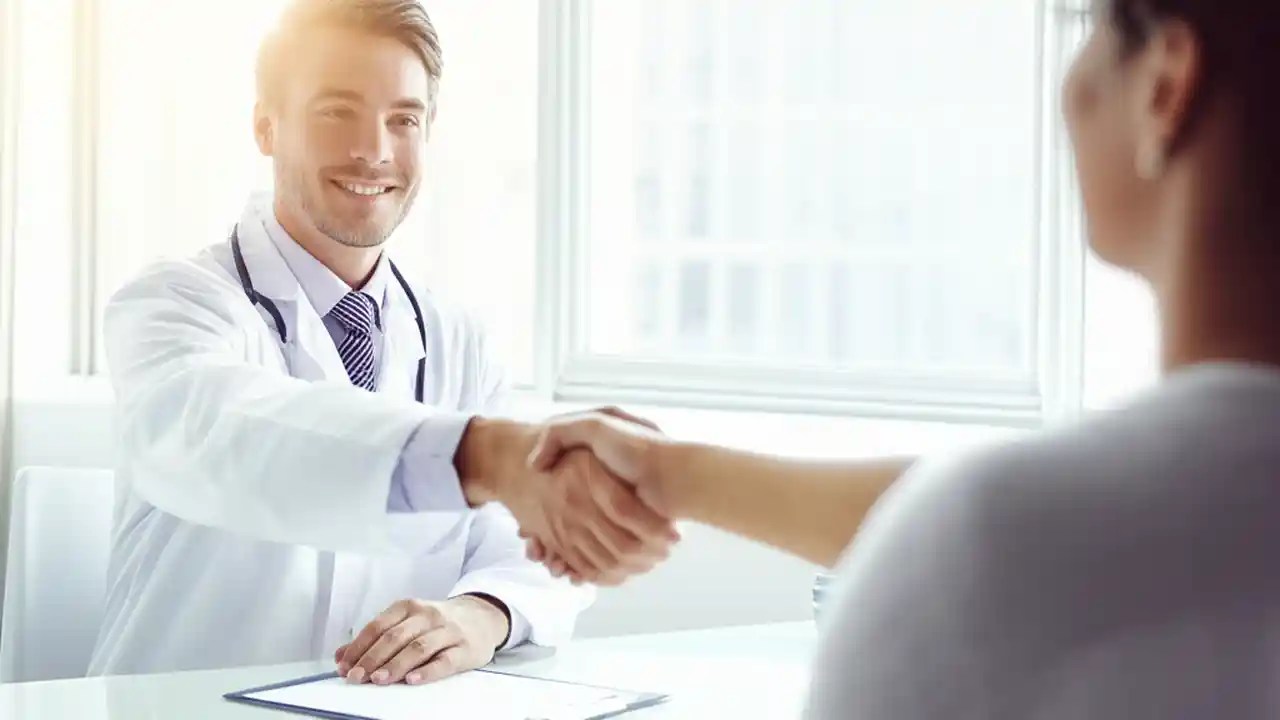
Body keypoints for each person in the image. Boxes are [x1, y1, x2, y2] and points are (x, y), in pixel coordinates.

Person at [526, 1, 1280, 716]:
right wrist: (670, 474)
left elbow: (1012, 533)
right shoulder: (1056, 532)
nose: (1071, 83)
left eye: (1086, 26)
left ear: (1165, 86)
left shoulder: (989, 550)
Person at [91, 0, 676, 685]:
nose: (373, 149)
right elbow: (222, 432)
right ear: (265, 126)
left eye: (403, 119)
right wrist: (481, 455)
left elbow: (530, 548)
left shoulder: (458, 337)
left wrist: (482, 614)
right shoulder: (174, 304)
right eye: (337, 111)